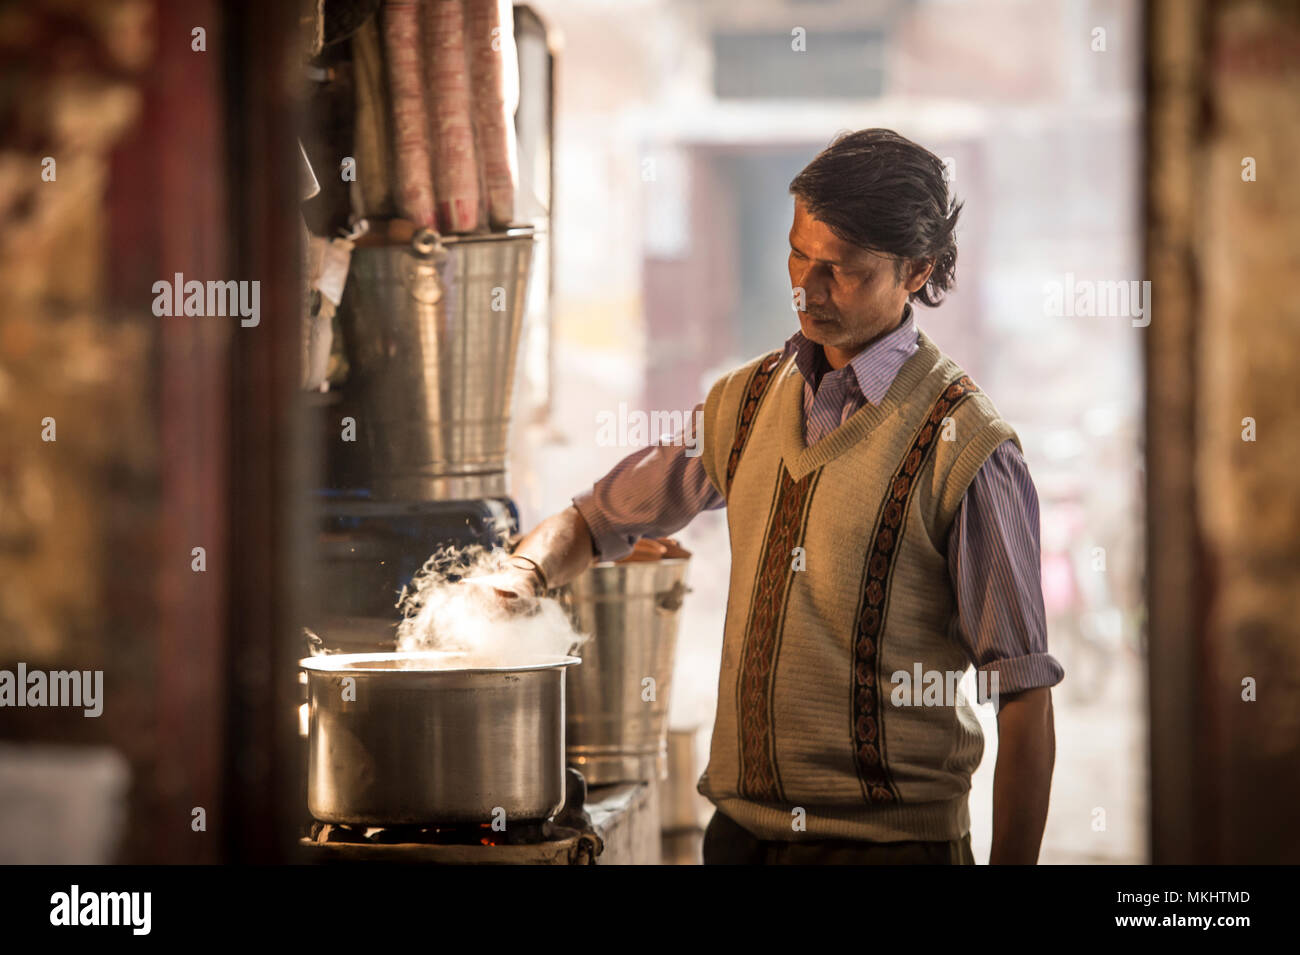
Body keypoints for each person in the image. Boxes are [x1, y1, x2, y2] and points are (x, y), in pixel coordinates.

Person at [478, 129, 1063, 865]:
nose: (807, 289)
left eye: (840, 269)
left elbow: (1026, 695)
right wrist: (520, 577)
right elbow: (597, 520)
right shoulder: (744, 401)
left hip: (885, 852)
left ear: (915, 270)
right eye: (798, 255)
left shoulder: (966, 446)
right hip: (740, 840)